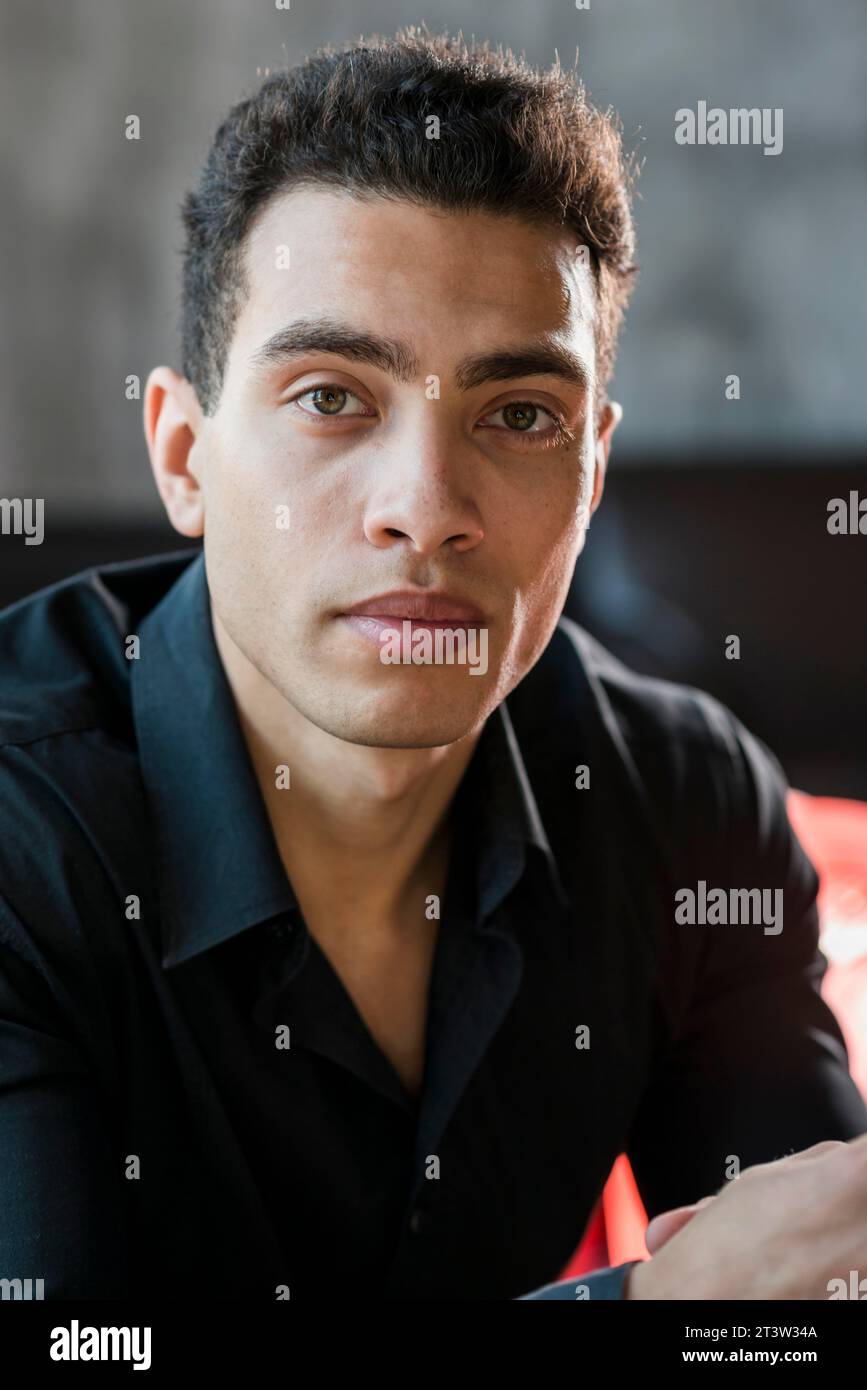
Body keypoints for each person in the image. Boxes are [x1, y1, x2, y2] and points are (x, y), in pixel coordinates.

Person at [1, 27, 865, 1302]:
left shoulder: (686, 804)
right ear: (185, 457)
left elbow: (813, 1280)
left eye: (519, 416)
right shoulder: (26, 832)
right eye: (332, 396)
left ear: (593, 473)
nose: (427, 506)